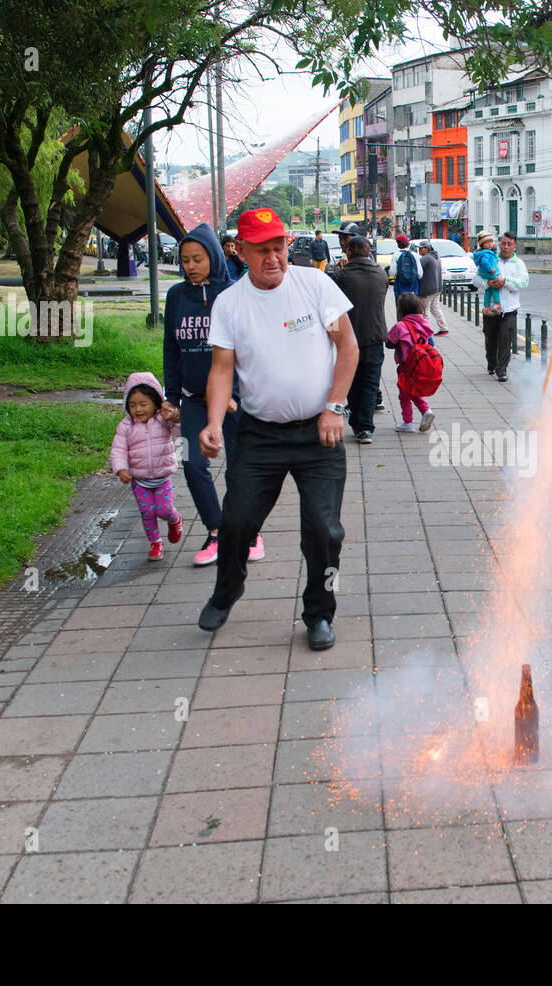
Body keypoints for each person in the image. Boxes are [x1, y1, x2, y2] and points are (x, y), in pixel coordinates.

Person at [196, 207, 358, 653]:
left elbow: (348, 347)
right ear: (240, 250)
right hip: (260, 435)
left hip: (318, 433)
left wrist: (334, 409)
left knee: (325, 532)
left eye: (279, 247)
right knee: (235, 523)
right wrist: (212, 422)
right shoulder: (230, 303)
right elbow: (222, 369)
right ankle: (227, 590)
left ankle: (320, 614)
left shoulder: (315, 285)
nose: (274, 257)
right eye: (262, 249)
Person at [161, 223, 265, 567]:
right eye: (185, 260)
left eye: (198, 259)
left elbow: (249, 350)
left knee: (239, 469)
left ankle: (249, 532)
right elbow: (171, 350)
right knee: (192, 463)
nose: (190, 266)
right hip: (192, 399)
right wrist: (171, 397)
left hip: (235, 400)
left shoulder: (234, 292)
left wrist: (235, 392)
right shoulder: (176, 296)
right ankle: (216, 531)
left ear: (214, 257)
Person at [111, 372, 183, 562]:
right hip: (139, 479)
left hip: (162, 477)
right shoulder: (125, 426)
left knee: (164, 509)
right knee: (148, 512)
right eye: (133, 405)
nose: (138, 409)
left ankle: (175, 520)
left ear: (155, 402)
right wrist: (121, 469)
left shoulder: (163, 420)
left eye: (143, 404)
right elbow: (118, 449)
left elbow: (180, 432)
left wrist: (175, 418)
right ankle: (156, 543)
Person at [332, 235, 389, 444]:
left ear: (349, 252)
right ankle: (365, 427)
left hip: (348, 338)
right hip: (375, 335)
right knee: (370, 381)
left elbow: (332, 303)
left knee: (353, 381)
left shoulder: (342, 275)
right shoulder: (380, 274)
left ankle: (359, 423)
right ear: (369, 252)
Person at [385, 293, 440, 434]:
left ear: (401, 309)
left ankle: (408, 422)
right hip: (420, 363)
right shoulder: (424, 322)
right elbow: (430, 342)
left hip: (406, 365)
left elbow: (389, 344)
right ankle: (425, 411)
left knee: (404, 394)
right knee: (411, 390)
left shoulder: (400, 326)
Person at [479, 232, 529, 383]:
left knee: (505, 340)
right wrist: (487, 283)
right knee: (490, 339)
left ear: (514, 247)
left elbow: (523, 283)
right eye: (503, 243)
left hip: (509, 309)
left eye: (509, 244)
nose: (506, 247)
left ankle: (502, 370)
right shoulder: (491, 259)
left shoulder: (518, 264)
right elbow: (476, 278)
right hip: (491, 310)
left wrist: (505, 281)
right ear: (499, 244)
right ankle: (492, 364)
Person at [416, 239, 449, 336]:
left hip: (427, 289)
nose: (419, 251)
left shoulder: (426, 258)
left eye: (421, 249)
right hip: (437, 288)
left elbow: (417, 271)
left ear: (427, 249)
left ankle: (425, 331)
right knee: (435, 308)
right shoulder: (436, 257)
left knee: (423, 310)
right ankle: (444, 328)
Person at [472, 232, 501, 315]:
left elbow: (493, 253)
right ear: (482, 244)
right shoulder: (486, 253)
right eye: (487, 242)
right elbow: (485, 262)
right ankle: (497, 305)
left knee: (488, 290)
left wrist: (494, 248)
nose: (489, 244)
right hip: (490, 273)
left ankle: (486, 307)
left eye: (490, 242)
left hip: (484, 274)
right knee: (495, 288)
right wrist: (490, 269)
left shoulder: (484, 252)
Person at [391, 233, 422, 298]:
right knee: (413, 306)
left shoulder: (396, 255)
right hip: (413, 285)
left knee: (400, 306)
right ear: (408, 244)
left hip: (400, 285)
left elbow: (392, 273)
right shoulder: (415, 255)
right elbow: (420, 274)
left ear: (398, 245)